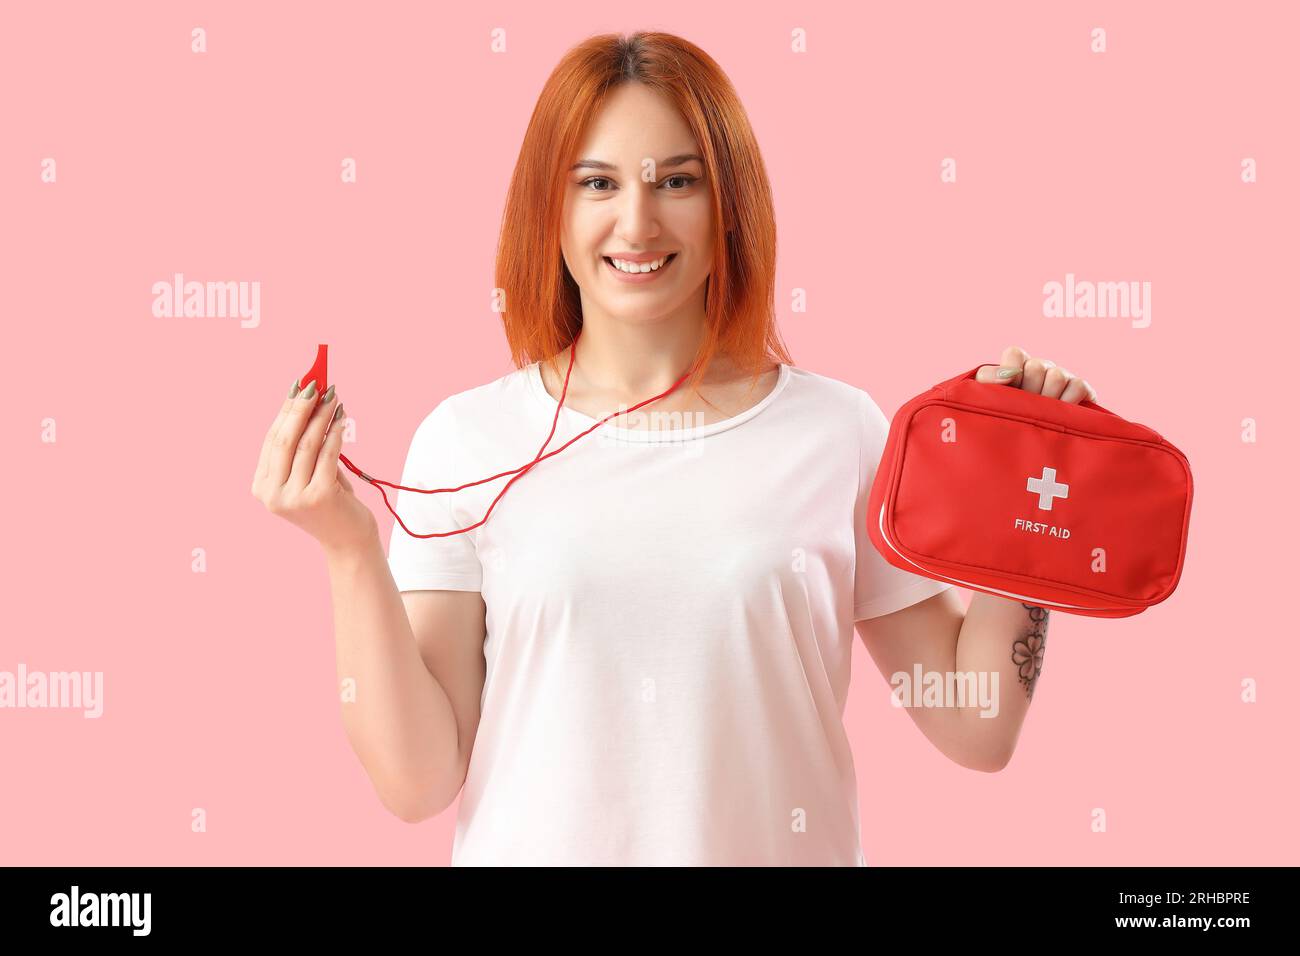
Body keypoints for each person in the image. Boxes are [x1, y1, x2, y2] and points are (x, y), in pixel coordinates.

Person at [250, 31, 1099, 866]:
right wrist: (348, 546)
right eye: (597, 182)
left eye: (678, 181)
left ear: (727, 203)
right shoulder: (468, 437)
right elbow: (419, 782)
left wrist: (1032, 503)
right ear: (551, 207)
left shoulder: (840, 434)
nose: (637, 219)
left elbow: (978, 726)